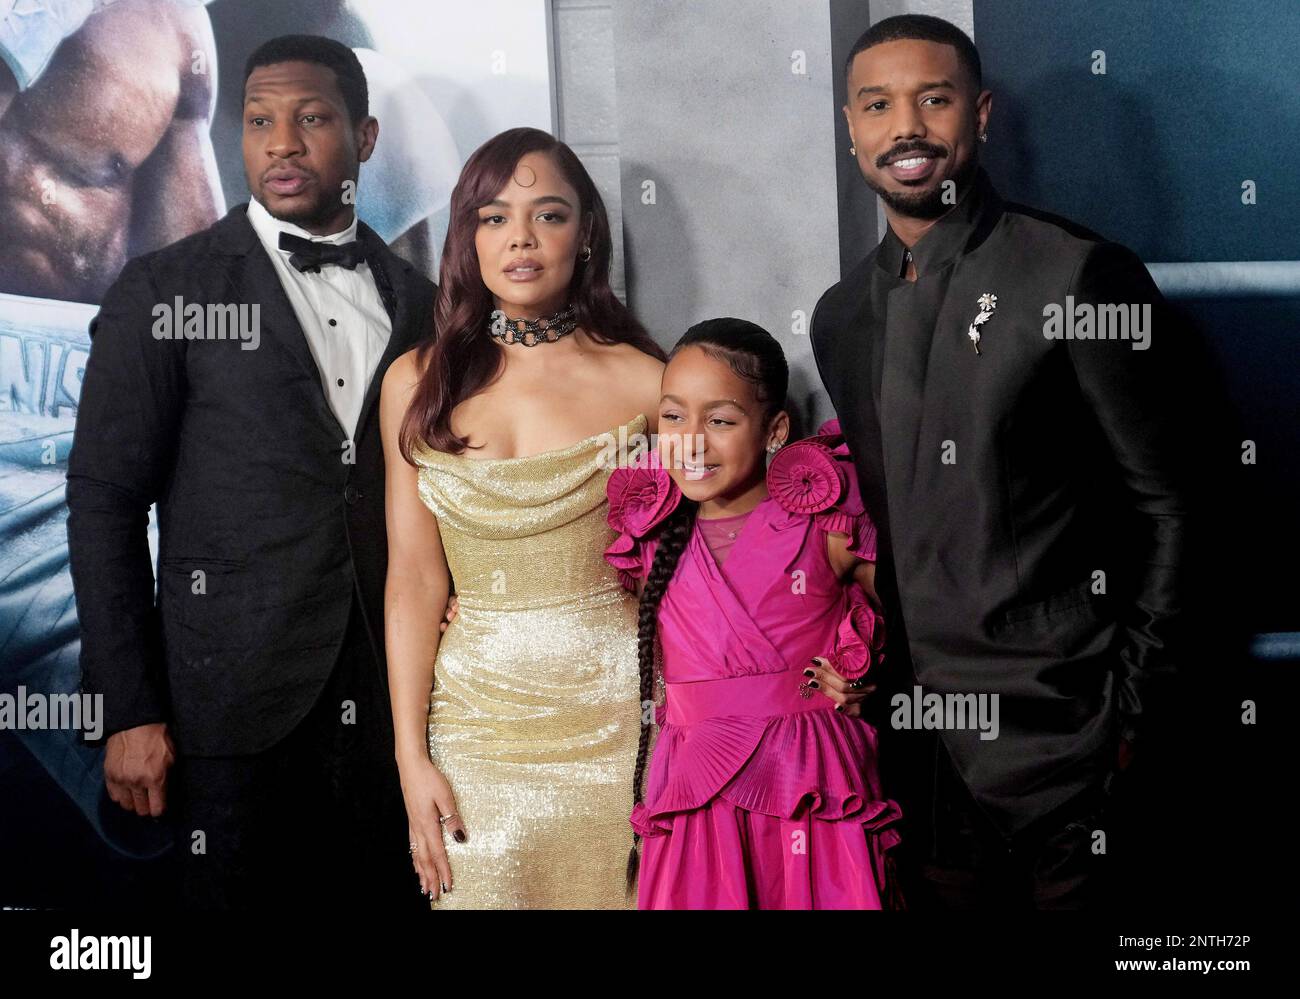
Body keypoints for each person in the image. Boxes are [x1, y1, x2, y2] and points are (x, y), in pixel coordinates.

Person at [810, 14, 1203, 909]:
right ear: (851, 127)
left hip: (1072, 749)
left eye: (934, 98)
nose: (905, 126)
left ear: (979, 113)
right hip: (925, 763)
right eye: (878, 105)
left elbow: (1177, 510)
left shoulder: (1075, 276)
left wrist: (1129, 720)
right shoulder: (839, 318)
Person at [66, 34, 436, 910]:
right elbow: (104, 504)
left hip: (401, 704)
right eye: (260, 120)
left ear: (365, 136)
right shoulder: (165, 291)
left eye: (311, 119)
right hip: (225, 709)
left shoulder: (424, 300)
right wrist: (127, 707)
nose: (281, 143)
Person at [380, 127, 665, 909]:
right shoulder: (414, 381)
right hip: (473, 728)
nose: (522, 239)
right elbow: (412, 580)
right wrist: (410, 757)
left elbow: (699, 562)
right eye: (494, 216)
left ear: (586, 233)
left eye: (549, 215)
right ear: (466, 236)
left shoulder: (650, 381)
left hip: (625, 723)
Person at [604, 318, 902, 910]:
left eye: (720, 420)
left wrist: (872, 680)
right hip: (695, 789)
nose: (692, 440)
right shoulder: (647, 536)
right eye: (673, 417)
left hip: (811, 781)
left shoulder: (829, 524)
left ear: (775, 430)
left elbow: (920, 625)